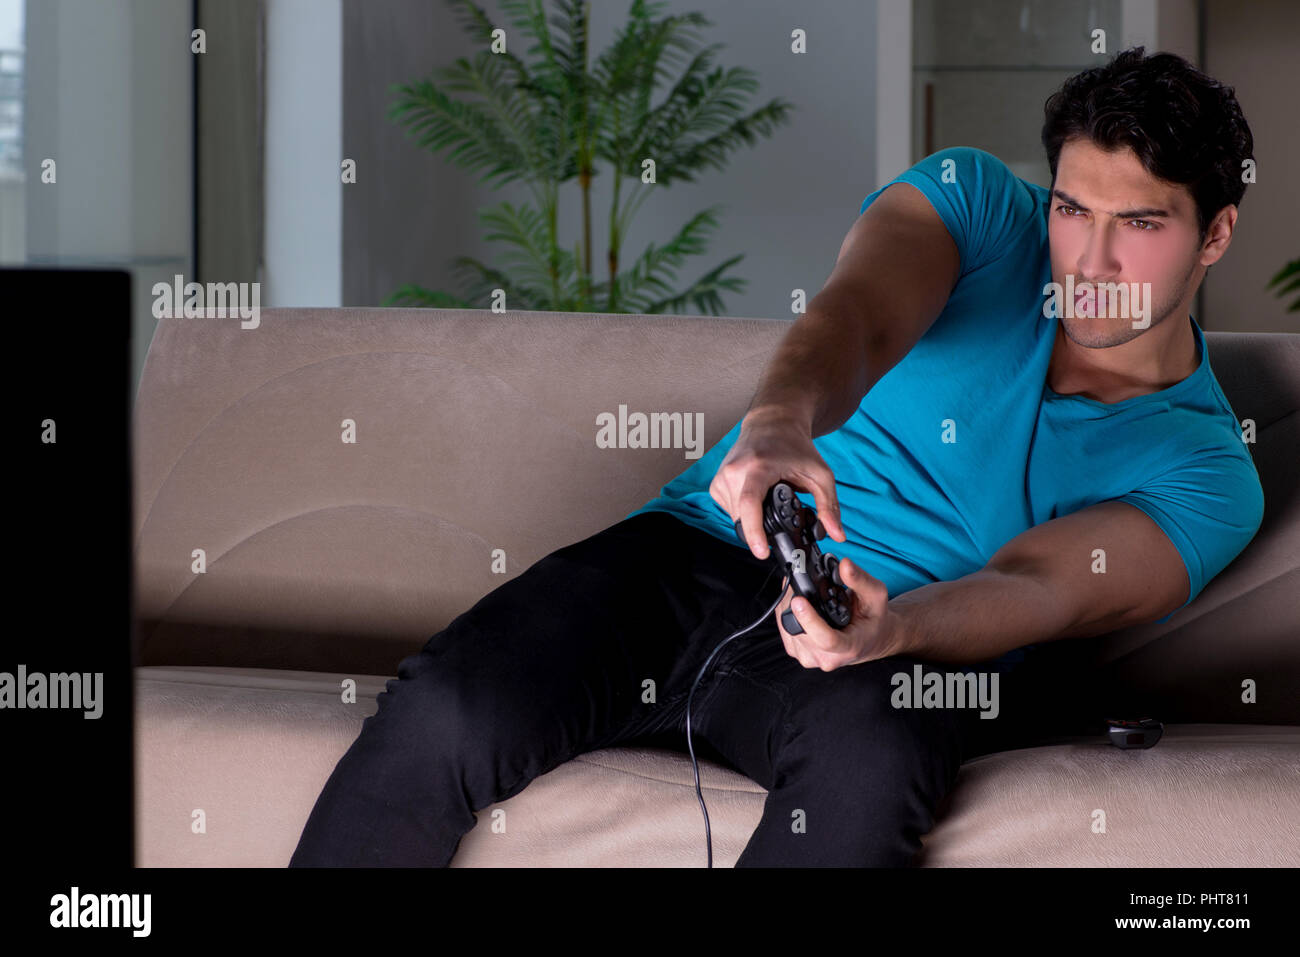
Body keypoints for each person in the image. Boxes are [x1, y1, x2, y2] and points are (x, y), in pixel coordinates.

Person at [288, 47, 1263, 867]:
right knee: (452, 706)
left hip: (888, 647)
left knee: (870, 775)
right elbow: (860, 316)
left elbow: (1037, 588)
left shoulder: (1206, 472)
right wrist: (778, 425)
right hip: (699, 551)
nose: (1087, 266)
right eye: (1071, 211)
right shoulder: (976, 205)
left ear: (1213, 232)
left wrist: (888, 630)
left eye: (1137, 224)